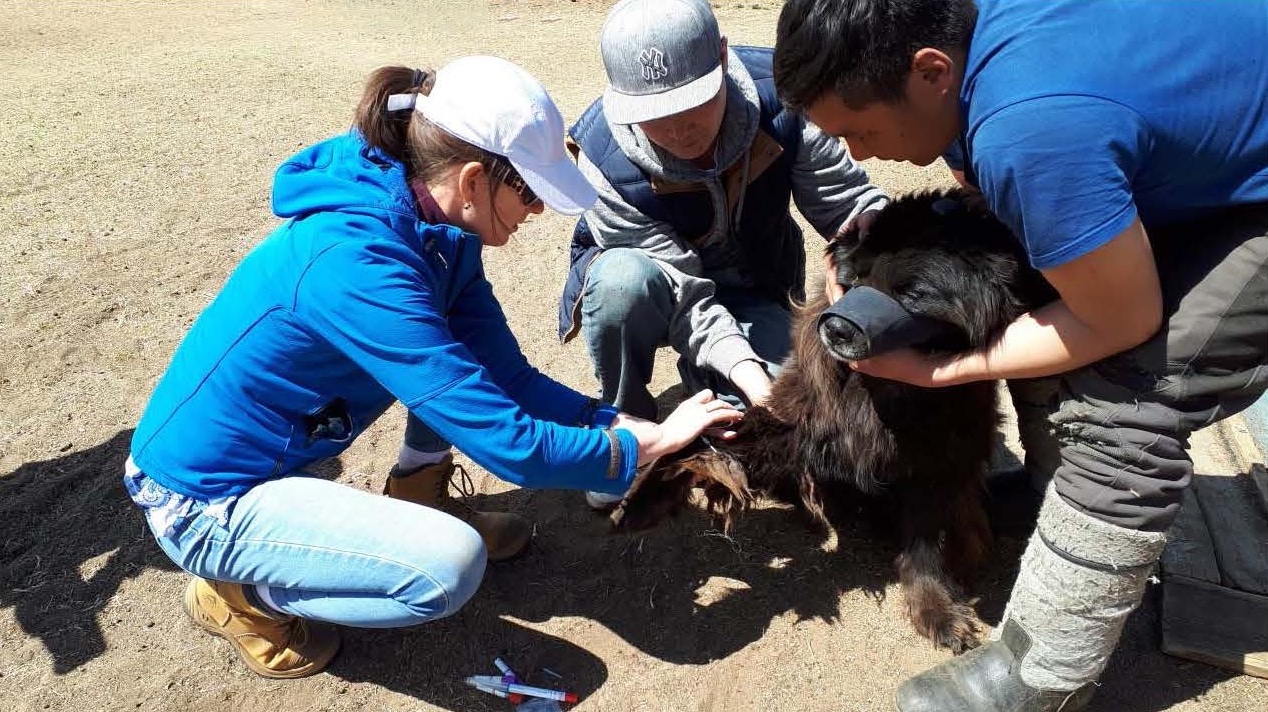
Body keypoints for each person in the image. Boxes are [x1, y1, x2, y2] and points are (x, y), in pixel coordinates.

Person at [123, 55, 742, 680]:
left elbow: (506, 381)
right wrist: (639, 446)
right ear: (473, 180)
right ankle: (235, 592)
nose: (533, 213)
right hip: (205, 497)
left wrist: (614, 420)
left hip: (283, 450)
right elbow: (510, 445)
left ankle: (420, 492)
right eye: (528, 192)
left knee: (453, 375)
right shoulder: (356, 261)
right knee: (447, 570)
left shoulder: (440, 234)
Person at [773, 1, 1268, 710]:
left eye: (859, 130)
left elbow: (1121, 318)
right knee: (1047, 286)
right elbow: (1016, 202)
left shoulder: (1028, 125)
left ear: (930, 72)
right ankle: (1054, 501)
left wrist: (941, 369)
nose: (854, 154)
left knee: (1130, 393)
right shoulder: (979, 43)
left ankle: (1039, 677)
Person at [559, 0, 889, 508]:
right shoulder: (603, 158)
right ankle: (627, 430)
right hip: (659, 289)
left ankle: (709, 383)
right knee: (622, 281)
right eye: (653, 116)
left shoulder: (783, 100)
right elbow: (686, 296)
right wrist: (749, 376)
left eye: (691, 105)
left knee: (805, 407)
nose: (676, 131)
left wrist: (880, 231)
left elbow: (844, 202)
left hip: (755, 282)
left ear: (721, 56)